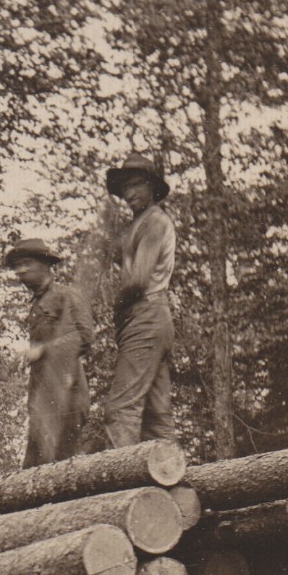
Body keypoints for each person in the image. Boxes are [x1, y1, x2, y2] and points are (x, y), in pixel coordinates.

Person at [103, 155, 178, 447]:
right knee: (158, 417)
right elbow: (116, 251)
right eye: (124, 188)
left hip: (145, 315)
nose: (129, 193)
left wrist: (115, 304)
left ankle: (119, 489)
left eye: (136, 185)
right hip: (147, 320)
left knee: (121, 408)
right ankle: (176, 490)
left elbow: (137, 279)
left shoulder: (156, 221)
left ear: (152, 186)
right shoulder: (138, 224)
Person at [4, 237, 95, 466]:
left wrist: (43, 350)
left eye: (25, 263)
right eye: (16, 266)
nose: (19, 271)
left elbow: (85, 336)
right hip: (44, 400)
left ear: (45, 265)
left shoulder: (66, 296)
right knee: (33, 472)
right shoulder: (35, 306)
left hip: (67, 398)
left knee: (60, 471)